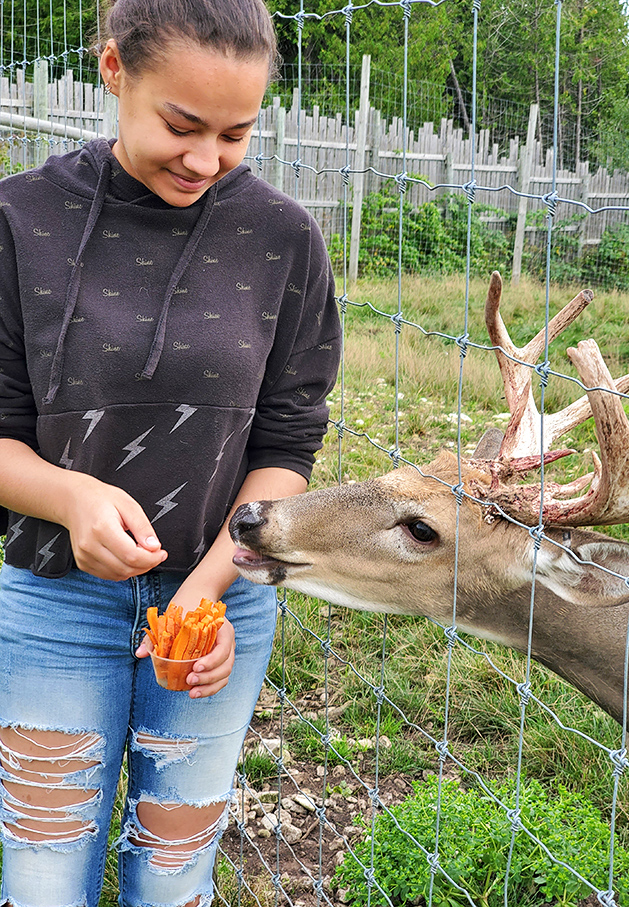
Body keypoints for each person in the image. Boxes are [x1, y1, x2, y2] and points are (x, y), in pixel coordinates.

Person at [0, 0, 340, 904]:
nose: (205, 160)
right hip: (51, 600)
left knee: (174, 867)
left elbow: (288, 441)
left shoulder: (284, 240)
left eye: (235, 134)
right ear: (114, 70)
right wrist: (69, 498)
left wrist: (207, 593)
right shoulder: (18, 221)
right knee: (41, 873)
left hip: (217, 607)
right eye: (181, 126)